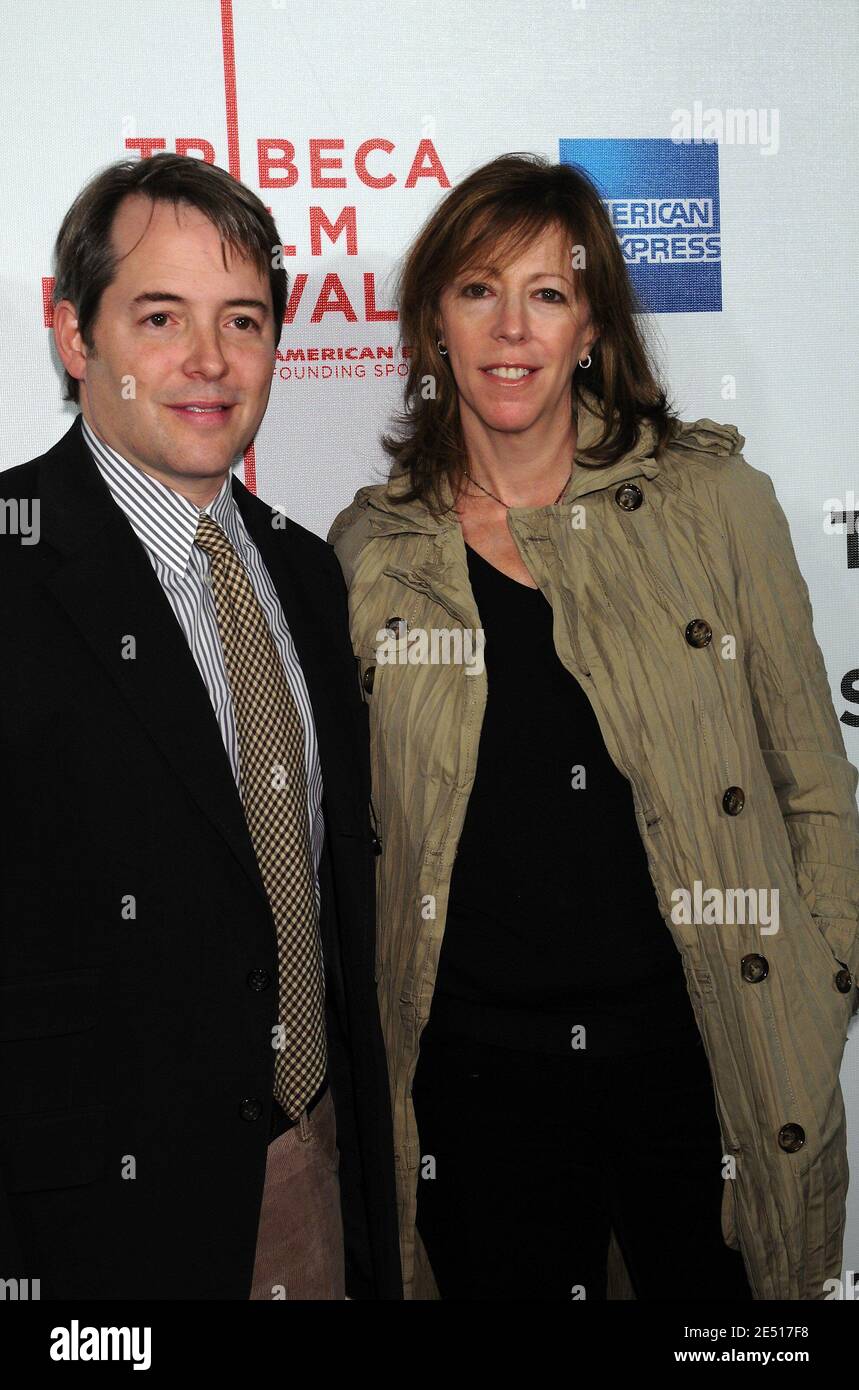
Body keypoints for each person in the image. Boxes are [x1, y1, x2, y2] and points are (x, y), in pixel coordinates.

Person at [328, 152, 859, 1301]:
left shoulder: (715, 506)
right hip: (476, 1090)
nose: (511, 328)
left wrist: (823, 985)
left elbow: (813, 777)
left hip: (701, 1056)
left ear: (591, 329)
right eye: (477, 290)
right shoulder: (373, 553)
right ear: (432, 326)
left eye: (548, 293)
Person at [0, 153, 401, 1300]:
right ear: (75, 336)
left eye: (244, 319)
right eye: (161, 316)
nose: (211, 363)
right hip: (87, 1231)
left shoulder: (307, 570)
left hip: (309, 1179)